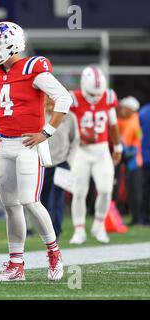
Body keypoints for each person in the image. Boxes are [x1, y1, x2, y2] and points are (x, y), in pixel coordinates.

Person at [0, 21, 72, 281]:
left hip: (27, 145)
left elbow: (64, 98)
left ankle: (54, 253)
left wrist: (46, 132)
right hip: (3, 143)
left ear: (9, 45)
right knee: (10, 206)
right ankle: (16, 265)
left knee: (30, 202)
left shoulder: (34, 68)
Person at [69, 66, 122, 244]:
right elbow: (67, 125)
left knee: (106, 191)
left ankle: (99, 225)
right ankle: (79, 230)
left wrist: (118, 147)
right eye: (92, 94)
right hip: (81, 152)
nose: (96, 97)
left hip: (101, 150)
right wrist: (77, 138)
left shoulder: (108, 96)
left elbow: (113, 124)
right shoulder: (73, 98)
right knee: (79, 192)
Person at [40, 95, 79, 238]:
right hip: (43, 162)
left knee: (57, 197)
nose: (50, 101)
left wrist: (70, 161)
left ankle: (56, 229)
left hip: (62, 162)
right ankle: (46, 229)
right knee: (43, 198)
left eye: (53, 98)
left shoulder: (69, 117)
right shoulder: (39, 115)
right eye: (47, 98)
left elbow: (75, 141)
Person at [116, 96, 143, 225]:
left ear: (130, 109)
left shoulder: (132, 123)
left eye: (124, 108)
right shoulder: (130, 119)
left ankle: (137, 218)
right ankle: (136, 217)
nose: (121, 110)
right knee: (131, 191)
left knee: (134, 191)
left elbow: (124, 143)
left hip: (133, 161)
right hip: (131, 159)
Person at [139, 101, 150, 226]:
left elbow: (138, 134)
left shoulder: (143, 112)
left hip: (145, 156)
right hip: (146, 155)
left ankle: (143, 217)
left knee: (145, 188)